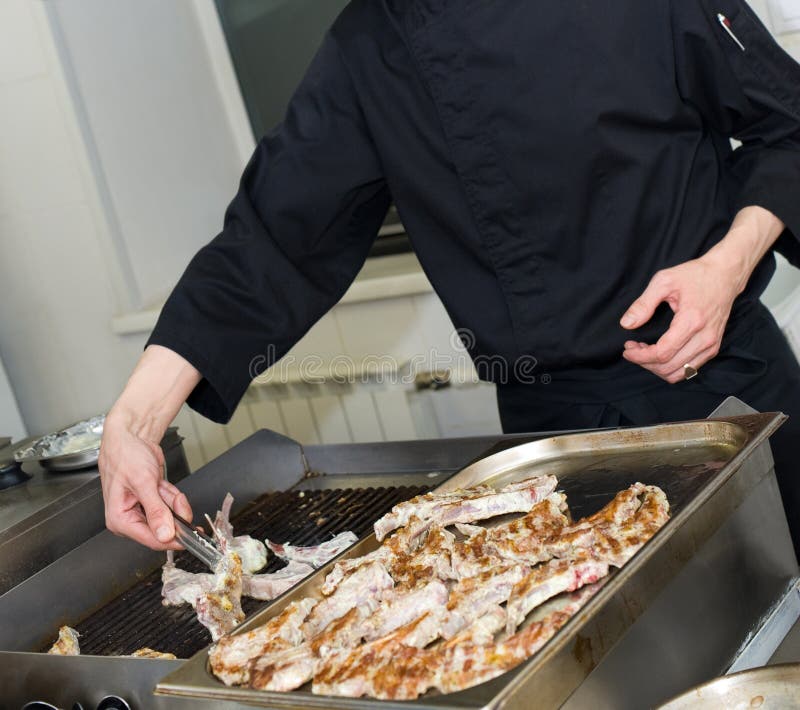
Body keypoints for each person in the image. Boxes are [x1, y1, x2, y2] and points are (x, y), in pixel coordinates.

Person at [99, 0, 800, 552]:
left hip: (722, 393)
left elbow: (788, 126)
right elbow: (269, 243)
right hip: (551, 439)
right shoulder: (368, 48)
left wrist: (727, 266)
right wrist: (133, 423)